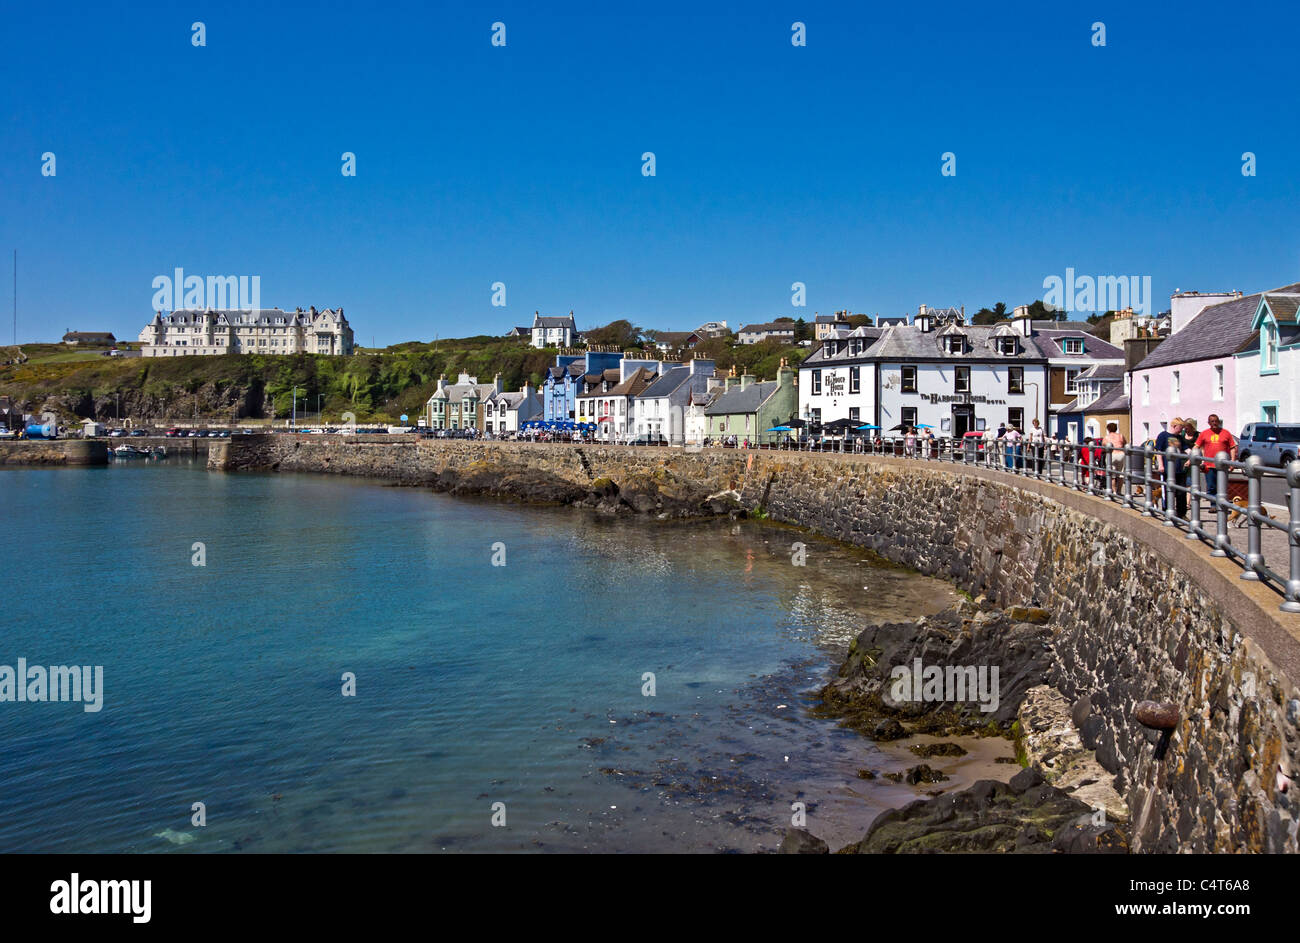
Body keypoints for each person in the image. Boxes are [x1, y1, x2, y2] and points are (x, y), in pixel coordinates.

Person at [1193, 414, 1237, 500]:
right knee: (1211, 486)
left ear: (1219, 422)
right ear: (1208, 423)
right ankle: (1213, 504)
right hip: (1209, 465)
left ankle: (1221, 505)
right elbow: (1196, 446)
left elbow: (1232, 448)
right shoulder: (1204, 433)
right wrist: (1190, 458)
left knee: (1222, 486)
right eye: (1212, 421)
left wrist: (1232, 461)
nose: (1214, 423)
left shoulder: (1226, 433)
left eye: (1216, 421)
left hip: (1223, 465)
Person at [1154, 418, 1188, 519]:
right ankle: (1168, 511)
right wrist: (1161, 465)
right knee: (1168, 490)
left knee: (1181, 492)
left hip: (1179, 469)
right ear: (1174, 426)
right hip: (1167, 469)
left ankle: (1181, 514)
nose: (1181, 430)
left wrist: (1195, 456)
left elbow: (1186, 449)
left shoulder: (1180, 437)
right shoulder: (1163, 436)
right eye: (1180, 428)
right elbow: (1159, 451)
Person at [1102, 422, 1128, 494]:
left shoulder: (1106, 437)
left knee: (1112, 475)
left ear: (1108, 429)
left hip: (1111, 455)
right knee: (1121, 474)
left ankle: (1114, 491)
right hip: (1121, 454)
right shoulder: (1121, 436)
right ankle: (1119, 491)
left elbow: (1103, 447)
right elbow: (1125, 444)